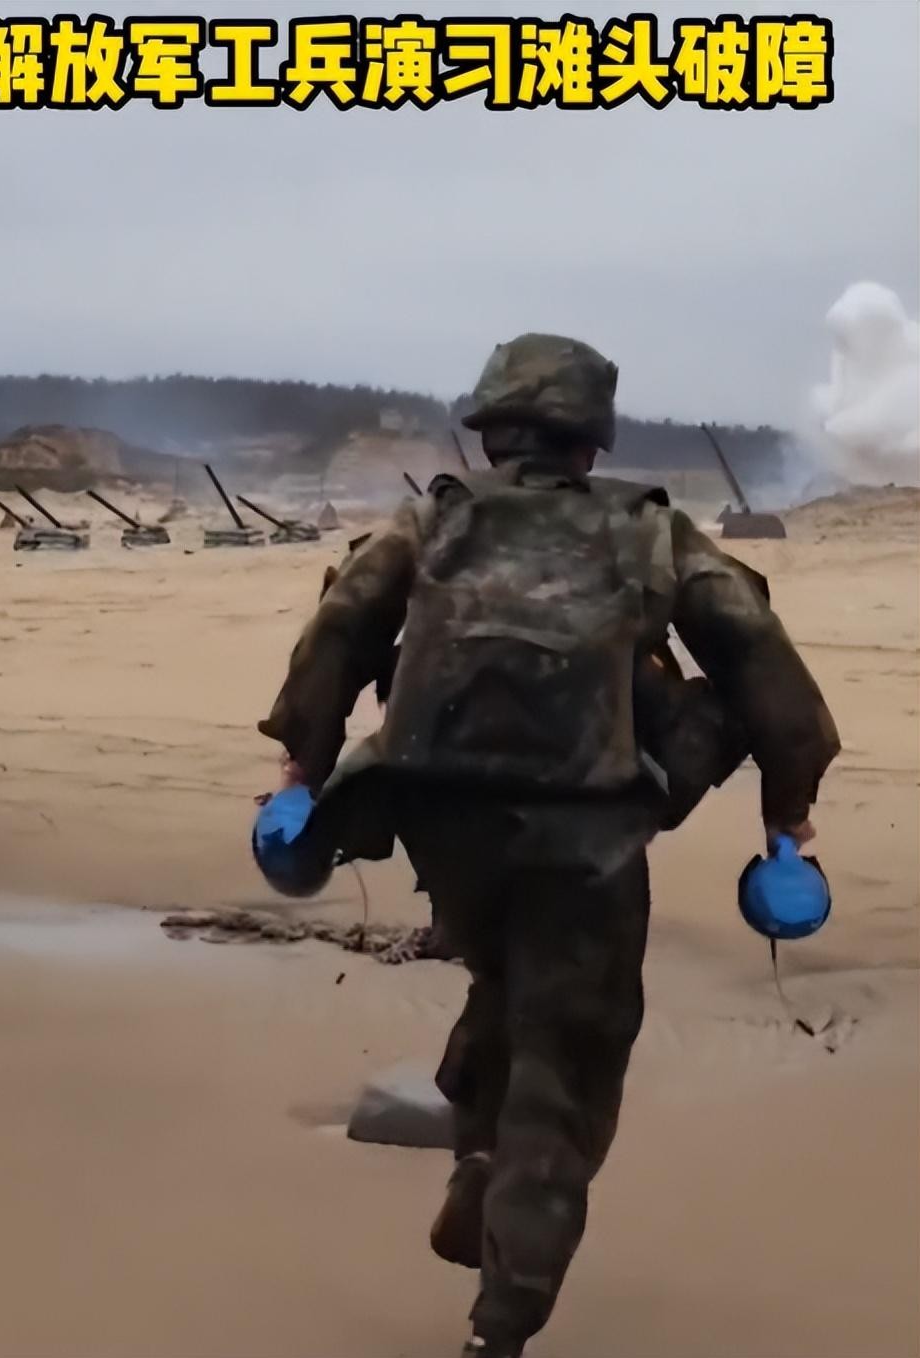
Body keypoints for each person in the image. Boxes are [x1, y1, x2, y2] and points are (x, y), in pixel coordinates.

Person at [258, 333, 840, 1358]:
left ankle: (482, 1157)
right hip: (588, 837)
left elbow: (338, 629)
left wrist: (301, 768)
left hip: (440, 822)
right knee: (569, 1052)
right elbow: (758, 657)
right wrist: (786, 813)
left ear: (491, 431)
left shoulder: (432, 519)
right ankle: (505, 1316)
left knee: (503, 975)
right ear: (591, 439)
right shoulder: (650, 531)